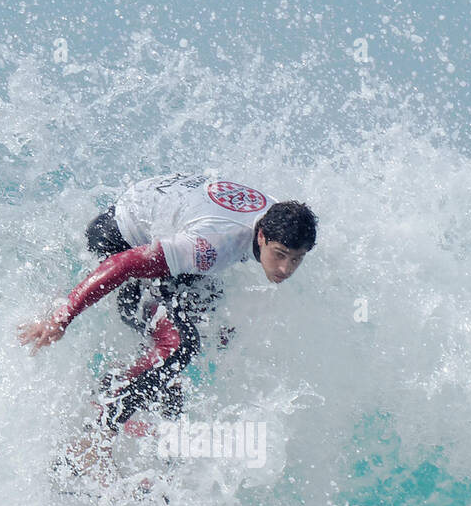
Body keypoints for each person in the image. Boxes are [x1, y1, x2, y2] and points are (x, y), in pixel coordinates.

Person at [18, 172, 318, 478]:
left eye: (296, 259)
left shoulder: (276, 215)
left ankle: (129, 403)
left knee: (199, 342)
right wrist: (61, 318)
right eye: (280, 255)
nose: (286, 268)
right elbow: (121, 264)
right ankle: (91, 440)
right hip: (115, 240)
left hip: (163, 222)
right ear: (262, 236)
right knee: (179, 345)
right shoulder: (213, 245)